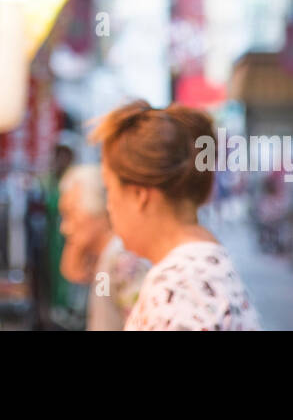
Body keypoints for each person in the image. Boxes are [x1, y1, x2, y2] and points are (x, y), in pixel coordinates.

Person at [90, 100, 261, 330]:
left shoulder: (180, 286)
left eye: (109, 189)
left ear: (139, 194)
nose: (109, 206)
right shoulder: (198, 272)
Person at [58, 163, 149, 330]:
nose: (64, 228)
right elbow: (74, 274)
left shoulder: (121, 259)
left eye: (70, 214)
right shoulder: (106, 260)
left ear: (97, 209)